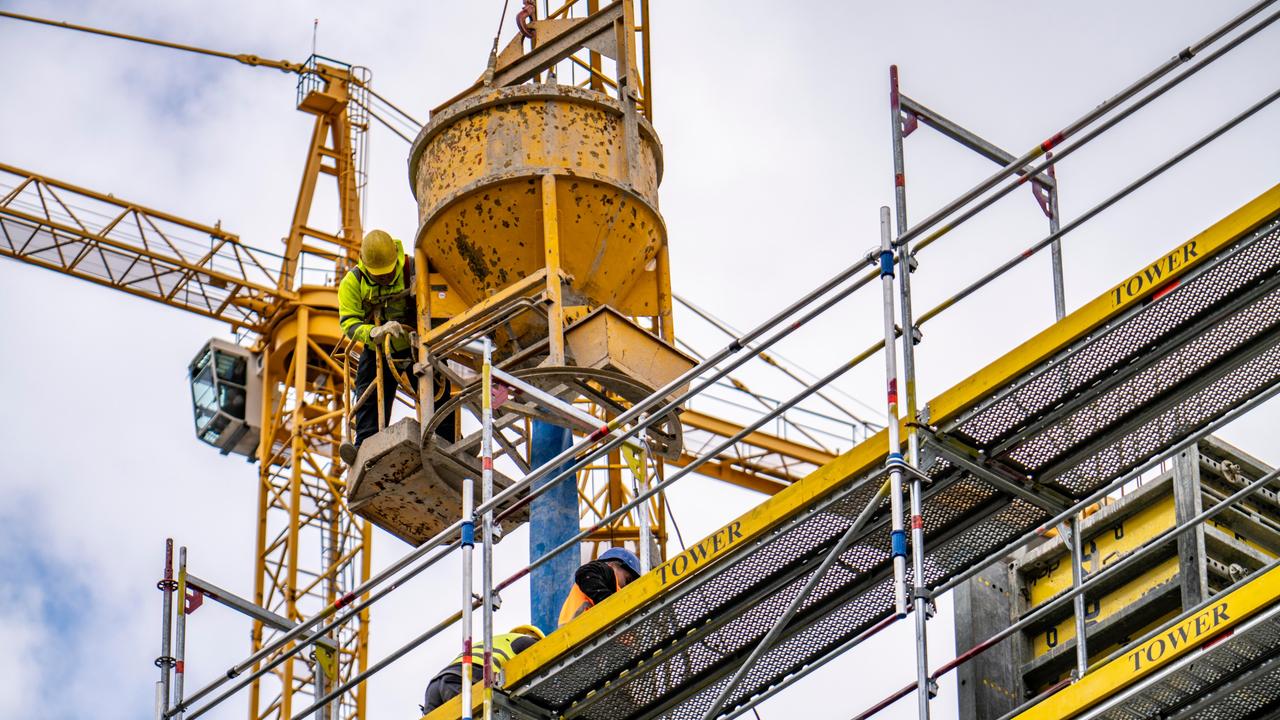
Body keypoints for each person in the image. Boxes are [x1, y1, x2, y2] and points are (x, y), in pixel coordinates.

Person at [337, 229, 416, 466]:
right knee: (368, 389)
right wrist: (374, 332)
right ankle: (364, 445)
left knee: (434, 382)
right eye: (379, 276)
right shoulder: (353, 283)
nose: (384, 279)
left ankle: (449, 436)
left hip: (414, 343)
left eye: (388, 274)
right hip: (379, 347)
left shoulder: (413, 268)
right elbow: (349, 323)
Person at [421, 624, 545, 714]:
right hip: (468, 676)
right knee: (477, 714)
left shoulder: (498, 641)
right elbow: (543, 655)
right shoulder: (527, 641)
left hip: (435, 685)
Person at [558, 547, 642, 627]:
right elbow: (586, 572)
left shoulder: (606, 584)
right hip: (575, 628)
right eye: (628, 580)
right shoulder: (603, 571)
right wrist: (609, 603)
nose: (627, 587)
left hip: (579, 629)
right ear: (611, 565)